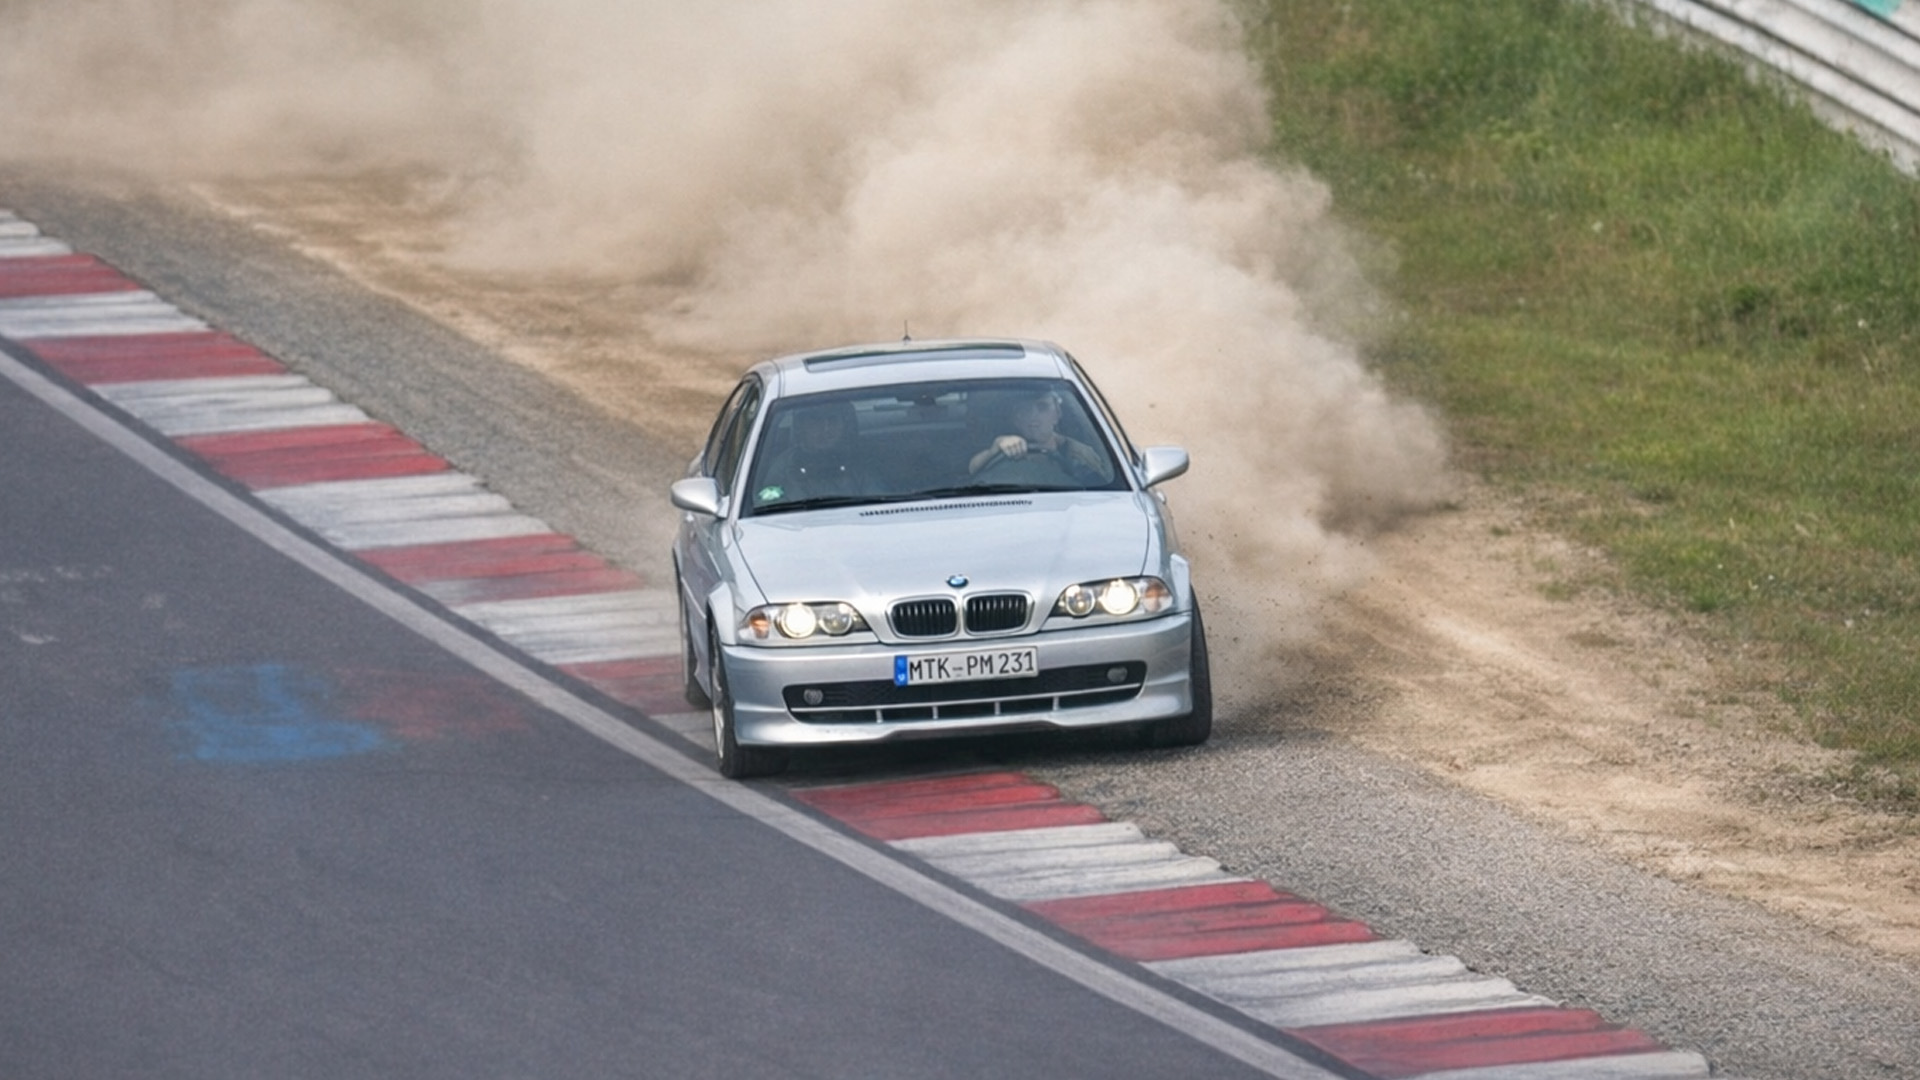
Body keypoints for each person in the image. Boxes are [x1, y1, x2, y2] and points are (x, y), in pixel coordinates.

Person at [967, 388, 1108, 483]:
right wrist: (994, 450)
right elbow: (972, 470)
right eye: (1024, 409)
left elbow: (1105, 491)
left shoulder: (1081, 453)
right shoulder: (1003, 450)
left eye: (1043, 407)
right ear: (1015, 419)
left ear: (1057, 413)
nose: (1034, 417)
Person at [753, 401, 867, 506]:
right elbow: (767, 507)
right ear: (801, 426)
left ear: (844, 426)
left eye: (833, 420)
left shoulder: (859, 463)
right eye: (816, 421)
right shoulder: (783, 468)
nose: (825, 428)